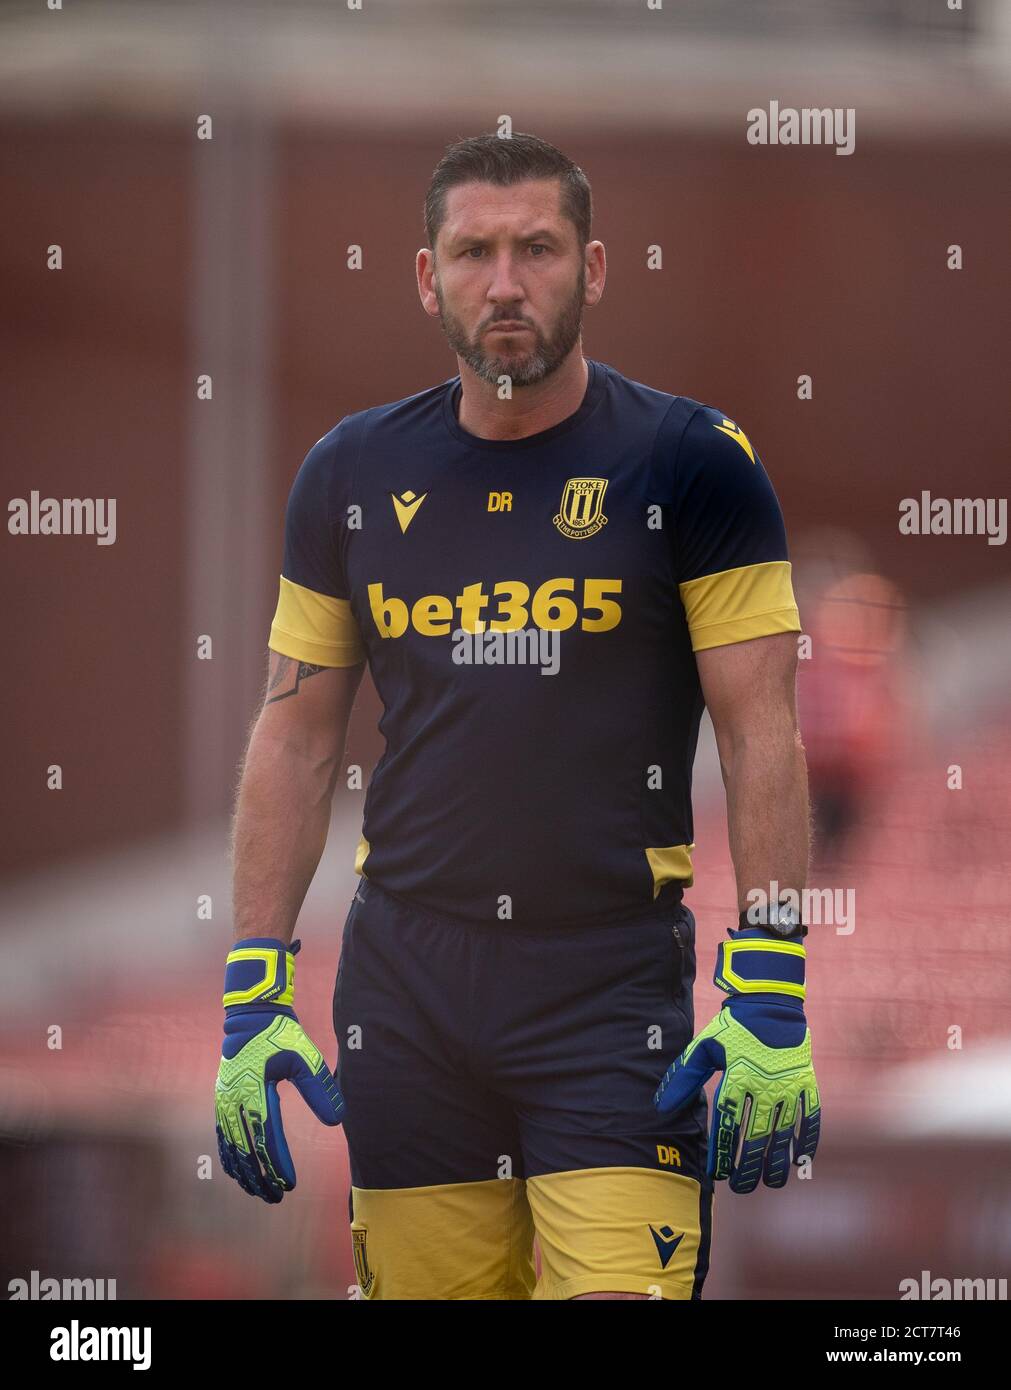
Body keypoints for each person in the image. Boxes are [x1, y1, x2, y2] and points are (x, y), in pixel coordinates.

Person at [214, 131, 819, 1300]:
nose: (504, 282)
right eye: (474, 251)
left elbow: (763, 729)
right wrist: (253, 988)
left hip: (609, 992)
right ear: (425, 276)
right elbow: (294, 735)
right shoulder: (345, 474)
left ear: (593, 269)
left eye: (536, 248)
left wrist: (774, 976)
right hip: (408, 990)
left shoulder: (695, 464)